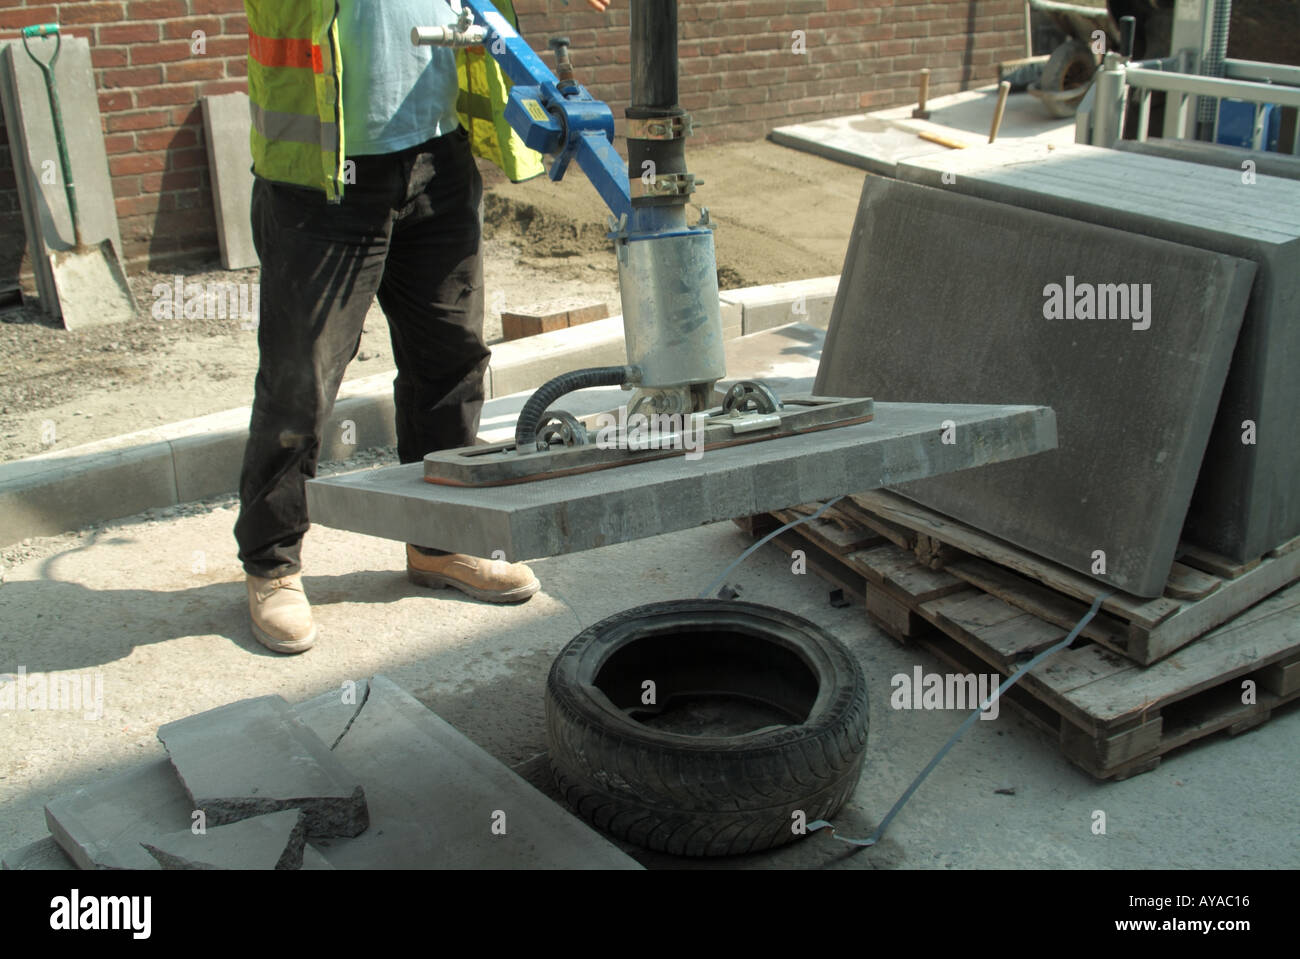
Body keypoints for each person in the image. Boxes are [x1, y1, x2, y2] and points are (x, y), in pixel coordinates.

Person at [236, 1, 613, 654]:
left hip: (436, 157)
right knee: (302, 379)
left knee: (451, 357)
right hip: (323, 171)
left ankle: (441, 540)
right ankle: (272, 564)